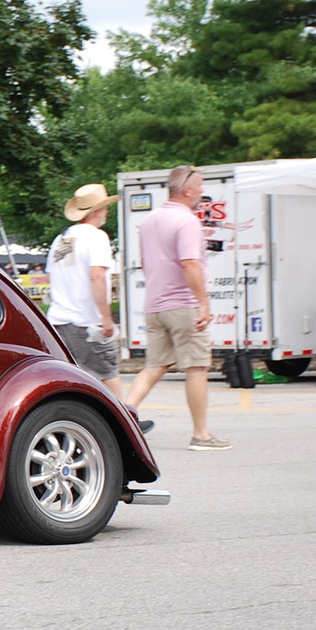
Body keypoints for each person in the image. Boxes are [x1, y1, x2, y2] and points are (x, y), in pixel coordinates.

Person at [124, 165, 232, 450]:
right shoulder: (187, 222)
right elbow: (189, 263)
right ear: (187, 191)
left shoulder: (149, 221)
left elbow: (147, 263)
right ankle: (201, 434)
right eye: (200, 187)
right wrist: (203, 303)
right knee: (197, 367)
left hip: (155, 303)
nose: (201, 192)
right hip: (183, 304)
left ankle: (121, 418)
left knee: (154, 366)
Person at [46, 183, 125, 398]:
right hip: (86, 320)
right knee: (108, 373)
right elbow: (97, 276)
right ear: (97, 211)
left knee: (73, 377)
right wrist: (106, 318)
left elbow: (52, 276)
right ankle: (127, 424)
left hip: (58, 320)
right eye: (105, 207)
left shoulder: (61, 239)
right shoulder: (96, 237)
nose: (106, 212)